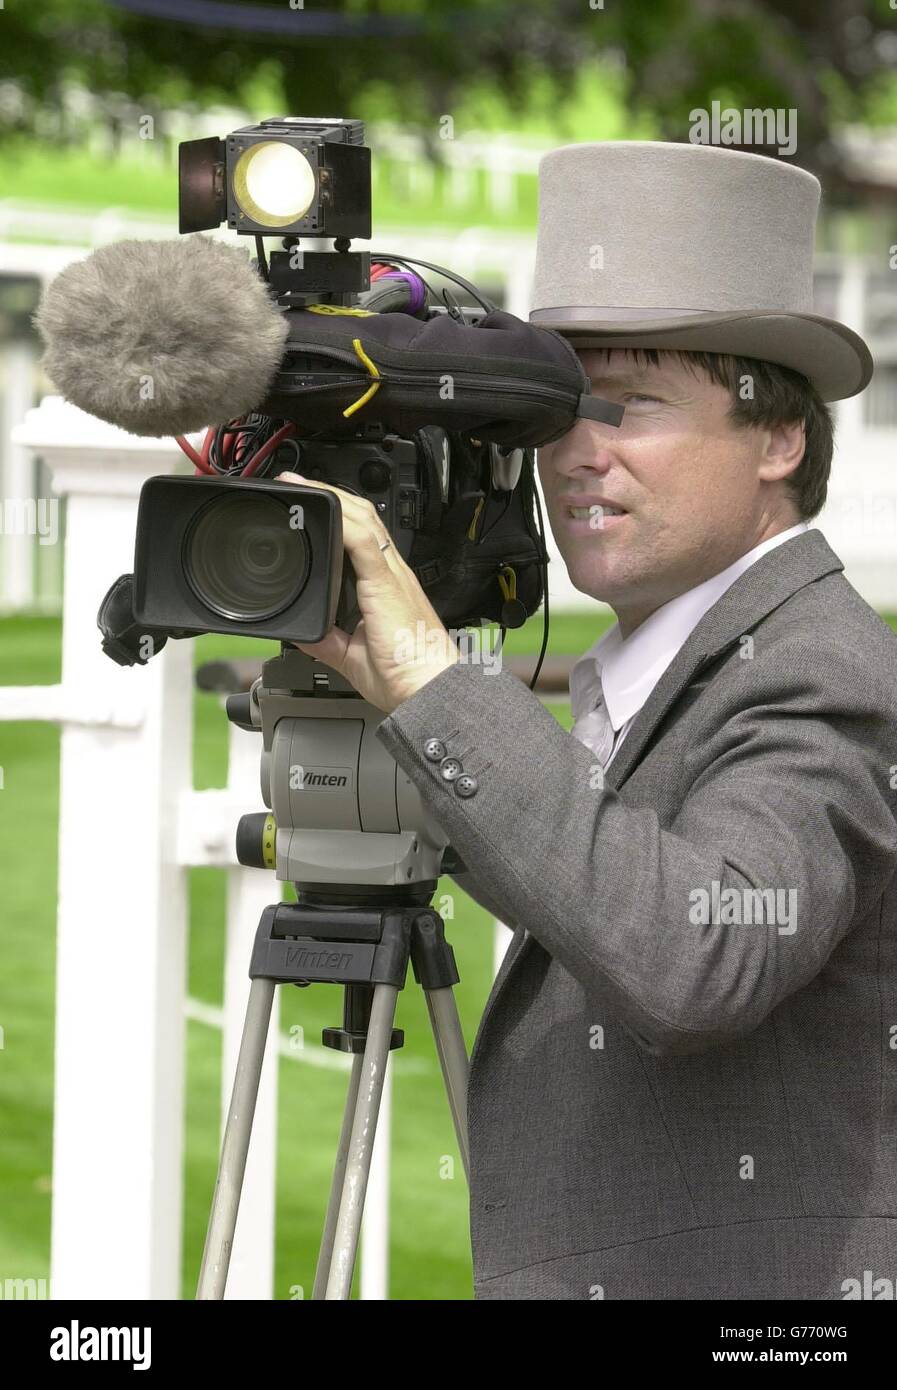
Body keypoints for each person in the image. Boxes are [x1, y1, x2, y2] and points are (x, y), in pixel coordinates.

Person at [282, 142, 897, 1300]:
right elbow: (591, 875)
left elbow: (694, 956)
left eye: (636, 407)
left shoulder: (825, 669)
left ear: (780, 440)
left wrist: (430, 676)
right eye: (563, 408)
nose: (579, 454)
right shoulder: (664, 665)